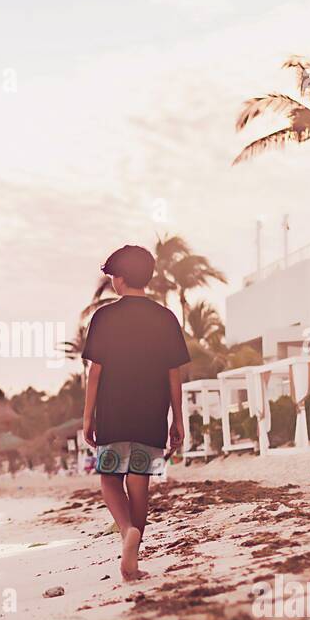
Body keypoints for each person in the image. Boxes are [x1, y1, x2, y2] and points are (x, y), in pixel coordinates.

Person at [82, 244, 191, 580]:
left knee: (110, 478)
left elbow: (95, 372)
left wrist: (88, 418)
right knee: (139, 481)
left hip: (114, 414)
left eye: (113, 275)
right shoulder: (165, 318)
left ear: (121, 278)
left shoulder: (104, 316)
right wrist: (178, 418)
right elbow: (175, 374)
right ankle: (134, 556)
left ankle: (127, 529)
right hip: (151, 415)